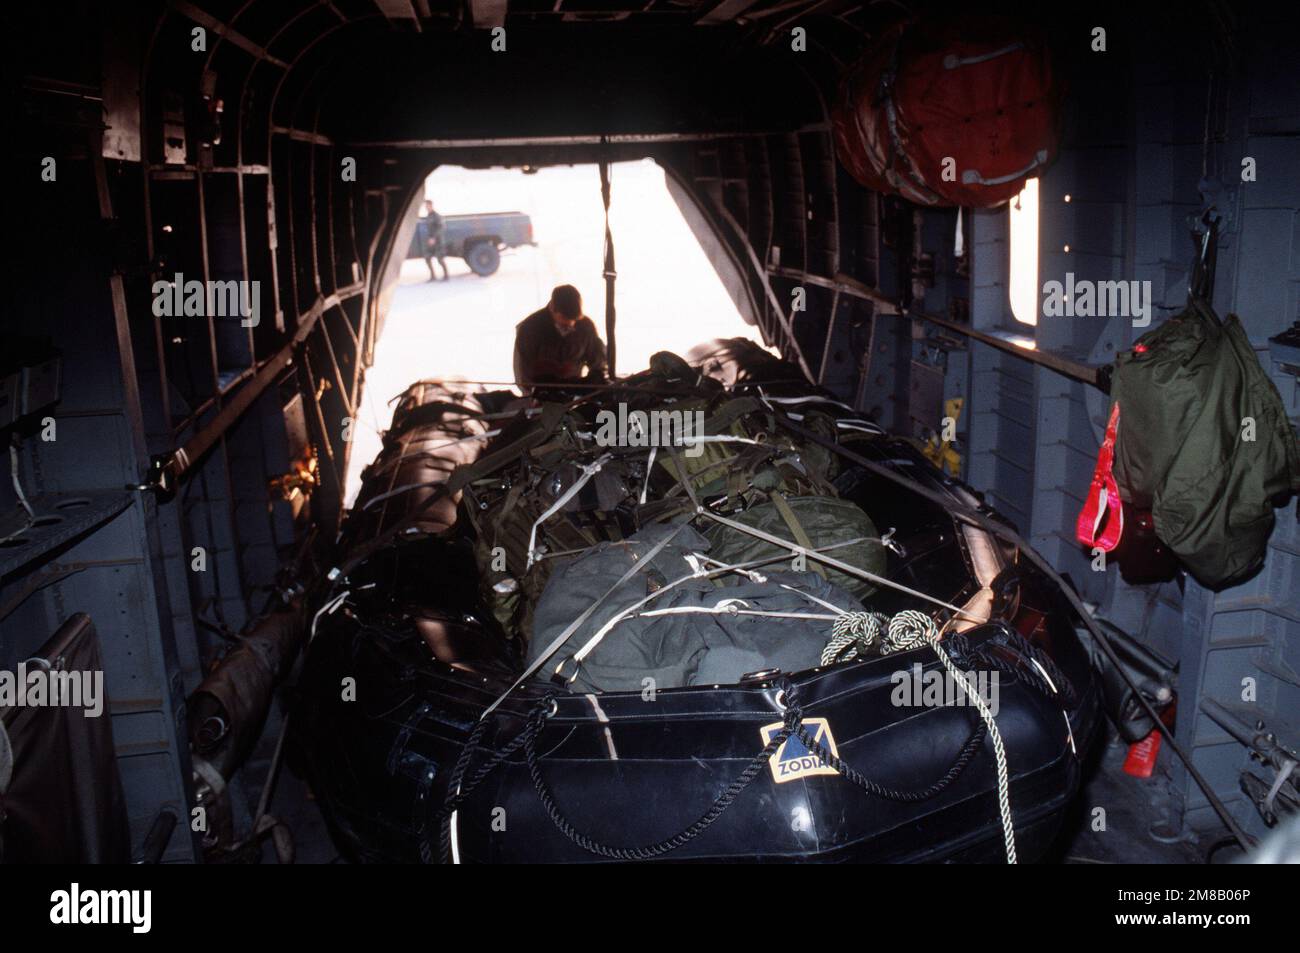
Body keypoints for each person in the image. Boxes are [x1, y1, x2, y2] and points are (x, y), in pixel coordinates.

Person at [513, 284, 607, 393]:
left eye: (574, 320)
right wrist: (532, 394)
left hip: (573, 391)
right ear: (552, 308)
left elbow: (597, 361)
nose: (570, 324)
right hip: (542, 394)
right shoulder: (529, 329)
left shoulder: (585, 326)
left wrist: (594, 381)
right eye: (564, 318)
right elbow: (522, 373)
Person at [417, 199, 448, 281]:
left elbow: (441, 228)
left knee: (440, 259)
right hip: (431, 241)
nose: (426, 207)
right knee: (427, 257)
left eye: (427, 205)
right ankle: (433, 276)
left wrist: (434, 237)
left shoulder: (436, 216)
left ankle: (446, 276)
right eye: (425, 206)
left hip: (438, 241)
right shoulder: (429, 216)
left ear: (431, 205)